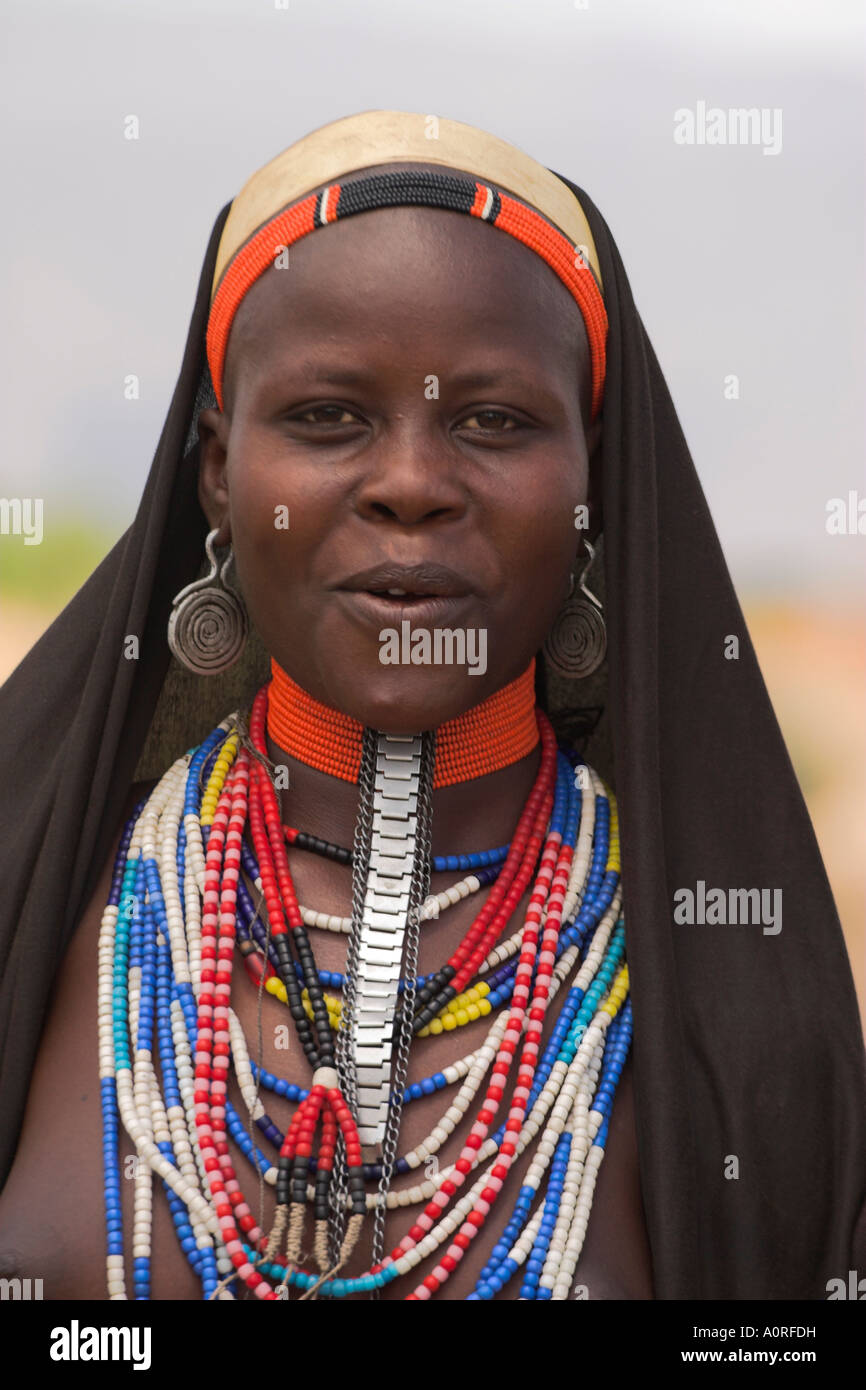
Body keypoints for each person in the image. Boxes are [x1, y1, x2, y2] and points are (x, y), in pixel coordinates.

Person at [0, 109, 863, 1302]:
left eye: (491, 422)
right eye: (326, 417)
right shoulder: (42, 899)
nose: (410, 483)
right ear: (215, 466)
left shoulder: (734, 1003)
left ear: (592, 480)